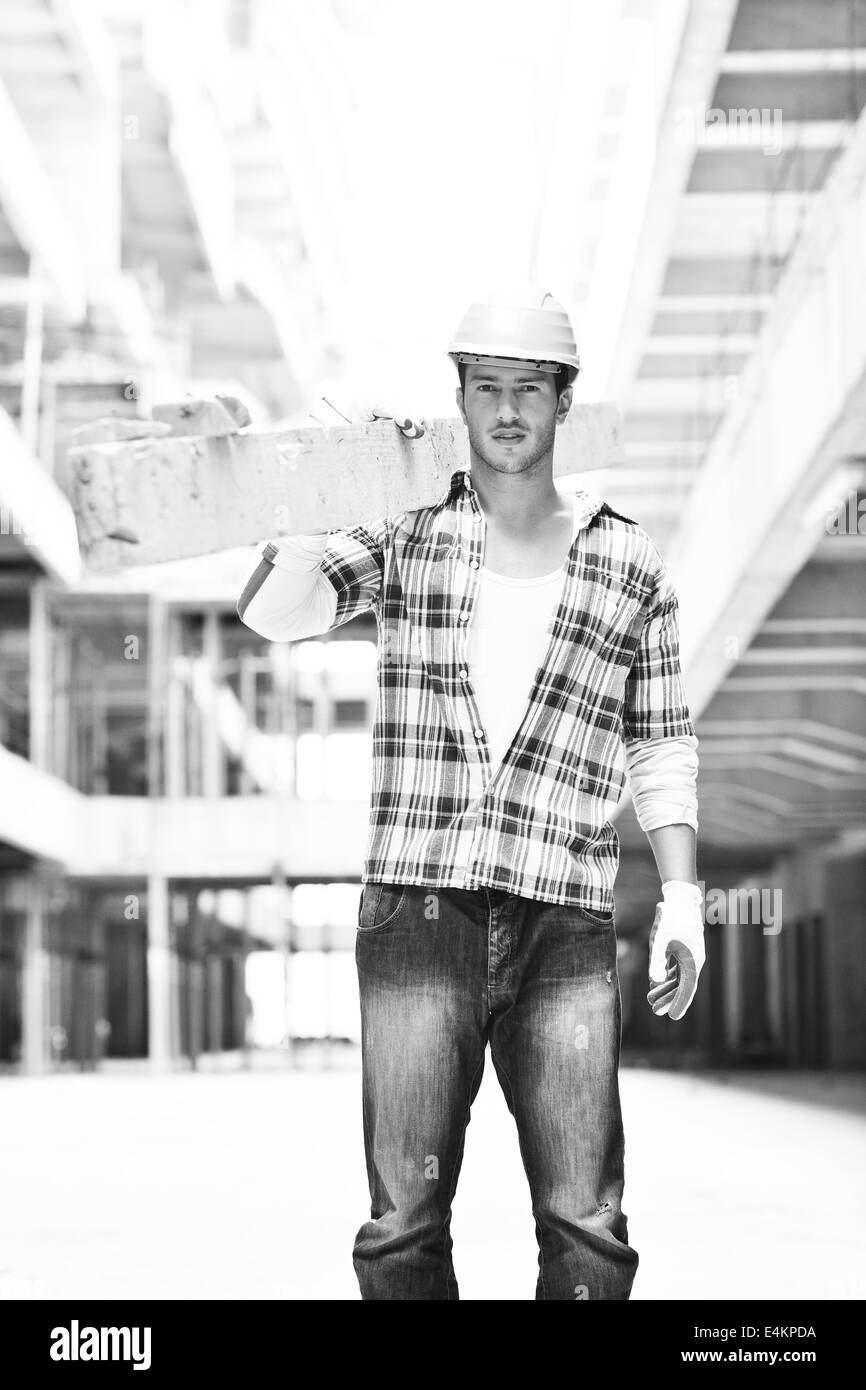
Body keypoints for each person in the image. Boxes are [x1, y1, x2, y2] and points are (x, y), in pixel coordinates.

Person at [238, 284, 704, 1300]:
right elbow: (276, 617)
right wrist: (318, 487)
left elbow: (660, 743)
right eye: (486, 387)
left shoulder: (627, 564)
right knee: (400, 1226)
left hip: (565, 922)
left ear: (562, 402)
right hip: (417, 908)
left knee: (588, 1226)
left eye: (528, 389)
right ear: (460, 396)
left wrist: (681, 897)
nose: (505, 410)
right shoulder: (409, 534)